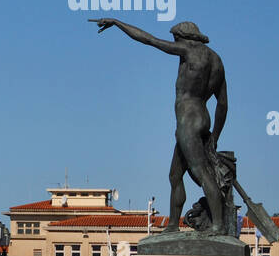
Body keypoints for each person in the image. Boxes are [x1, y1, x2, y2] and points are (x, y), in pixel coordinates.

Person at [91, 19, 228, 234]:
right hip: (203, 116)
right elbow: (223, 104)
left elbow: (148, 40)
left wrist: (117, 23)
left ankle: (218, 225)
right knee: (175, 175)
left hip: (188, 120)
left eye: (175, 39)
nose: (174, 43)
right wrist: (215, 137)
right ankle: (173, 225)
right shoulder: (217, 61)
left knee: (201, 172)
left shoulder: (188, 49)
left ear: (183, 38)